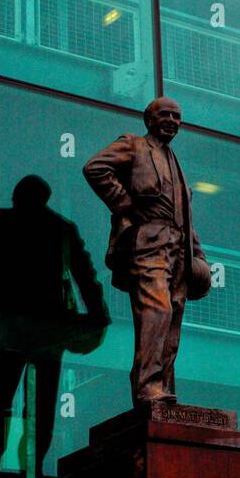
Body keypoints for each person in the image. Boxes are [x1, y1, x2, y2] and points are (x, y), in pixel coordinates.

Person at [0, 175, 109, 478]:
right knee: (39, 409)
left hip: (14, 326)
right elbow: (86, 276)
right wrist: (97, 314)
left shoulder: (2, 221)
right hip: (48, 328)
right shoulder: (61, 228)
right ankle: (31, 468)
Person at [82, 97, 211, 406]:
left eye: (177, 116)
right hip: (149, 240)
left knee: (173, 317)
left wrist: (198, 255)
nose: (171, 120)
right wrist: (126, 205)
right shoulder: (134, 145)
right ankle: (147, 385)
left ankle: (163, 386)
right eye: (164, 114)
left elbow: (184, 218)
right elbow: (95, 168)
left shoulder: (175, 162)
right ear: (149, 120)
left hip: (178, 247)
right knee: (158, 310)